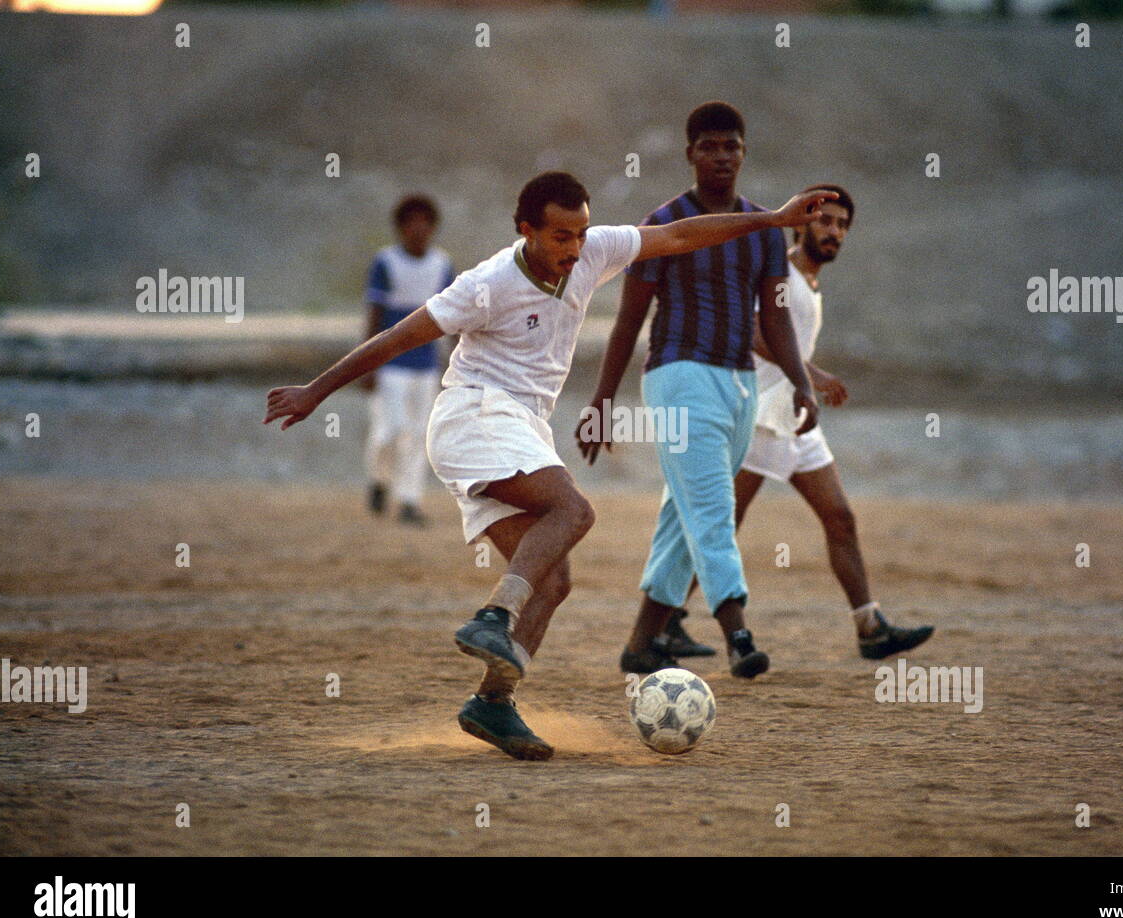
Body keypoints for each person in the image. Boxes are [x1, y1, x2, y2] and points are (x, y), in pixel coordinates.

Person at [265, 171, 835, 760]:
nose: (574, 248)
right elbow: (396, 337)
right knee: (573, 510)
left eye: (581, 234)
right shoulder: (486, 283)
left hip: (521, 427)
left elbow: (682, 236)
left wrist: (770, 220)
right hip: (473, 415)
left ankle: (492, 703)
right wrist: (316, 391)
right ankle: (493, 614)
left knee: (555, 580)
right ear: (526, 230)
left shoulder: (595, 250)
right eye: (561, 236)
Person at [578, 102, 817, 679]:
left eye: (731, 146)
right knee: (713, 507)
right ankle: (738, 632)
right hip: (678, 376)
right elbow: (628, 320)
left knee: (683, 513)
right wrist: (602, 400)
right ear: (690, 155)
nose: (721, 156)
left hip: (740, 383)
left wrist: (801, 382)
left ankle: (641, 643)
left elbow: (777, 320)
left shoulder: (764, 231)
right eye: (709, 146)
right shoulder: (665, 224)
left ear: (743, 152)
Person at [677, 184, 934, 660]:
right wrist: (811, 375)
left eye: (841, 225)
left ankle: (870, 627)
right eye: (824, 220)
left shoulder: (812, 283)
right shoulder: (781, 273)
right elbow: (750, 331)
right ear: (802, 224)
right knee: (724, 523)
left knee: (840, 517)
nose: (833, 231)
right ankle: (666, 618)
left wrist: (804, 382)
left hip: (795, 415)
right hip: (762, 414)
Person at [361, 194, 456, 526]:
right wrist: (367, 363)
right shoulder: (385, 262)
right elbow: (374, 315)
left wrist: (456, 362)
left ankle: (409, 501)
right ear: (401, 228)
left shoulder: (442, 265)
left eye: (424, 223)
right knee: (389, 431)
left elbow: (453, 316)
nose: (418, 230)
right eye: (411, 223)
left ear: (432, 228)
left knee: (418, 434)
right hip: (390, 364)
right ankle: (379, 479)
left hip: (426, 364)